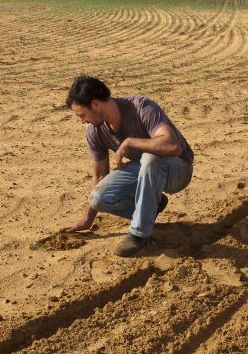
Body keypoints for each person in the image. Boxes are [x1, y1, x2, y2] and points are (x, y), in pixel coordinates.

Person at [60, 76, 194, 257]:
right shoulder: (95, 132)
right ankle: (152, 205)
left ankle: (139, 233)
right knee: (98, 197)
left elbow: (172, 146)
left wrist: (130, 142)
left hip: (178, 169)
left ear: (96, 104)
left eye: (82, 115)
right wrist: (87, 219)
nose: (82, 121)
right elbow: (99, 175)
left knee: (150, 158)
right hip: (143, 170)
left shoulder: (141, 107)